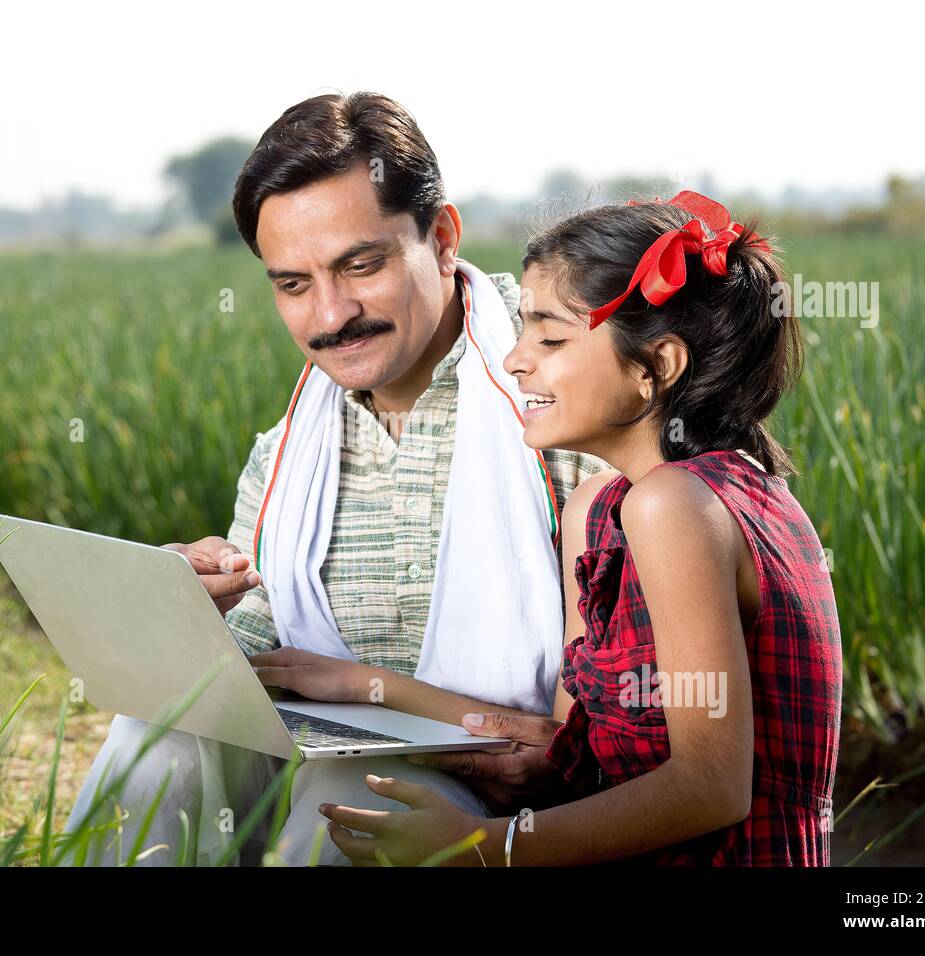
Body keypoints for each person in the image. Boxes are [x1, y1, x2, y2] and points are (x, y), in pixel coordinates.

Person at [63, 92, 606, 866]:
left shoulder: (567, 404)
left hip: (503, 811)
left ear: (442, 237)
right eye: (292, 284)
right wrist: (186, 611)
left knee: (345, 809)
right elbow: (254, 659)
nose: (330, 314)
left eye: (361, 264)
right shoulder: (289, 452)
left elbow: (612, 725)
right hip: (325, 751)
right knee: (156, 741)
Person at [313, 190, 843, 865]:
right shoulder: (601, 509)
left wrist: (482, 844)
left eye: (551, 337)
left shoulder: (677, 508)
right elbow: (565, 748)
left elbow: (711, 790)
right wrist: (360, 686)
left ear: (658, 367)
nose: (515, 360)